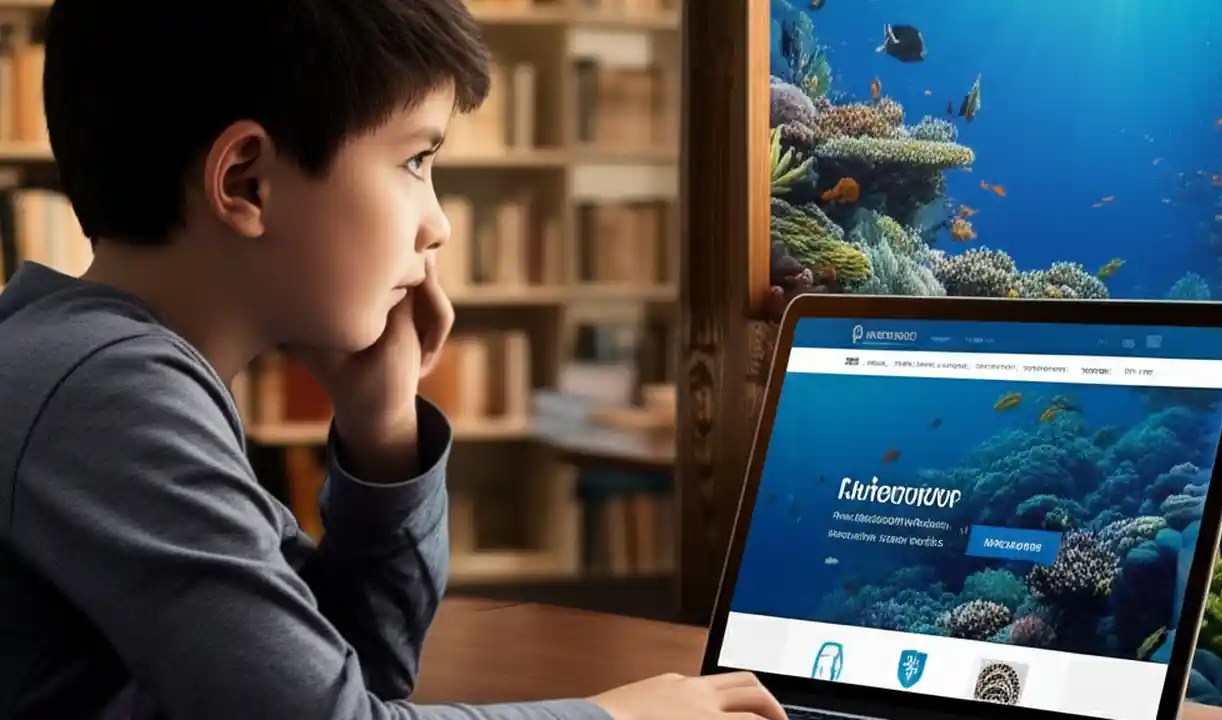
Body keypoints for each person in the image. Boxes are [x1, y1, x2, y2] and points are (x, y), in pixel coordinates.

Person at [0, 1, 788, 719]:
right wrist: (621, 719)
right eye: (415, 161)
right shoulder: (106, 392)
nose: (438, 223)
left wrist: (380, 433)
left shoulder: (94, 364)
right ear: (246, 182)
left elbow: (350, 673)